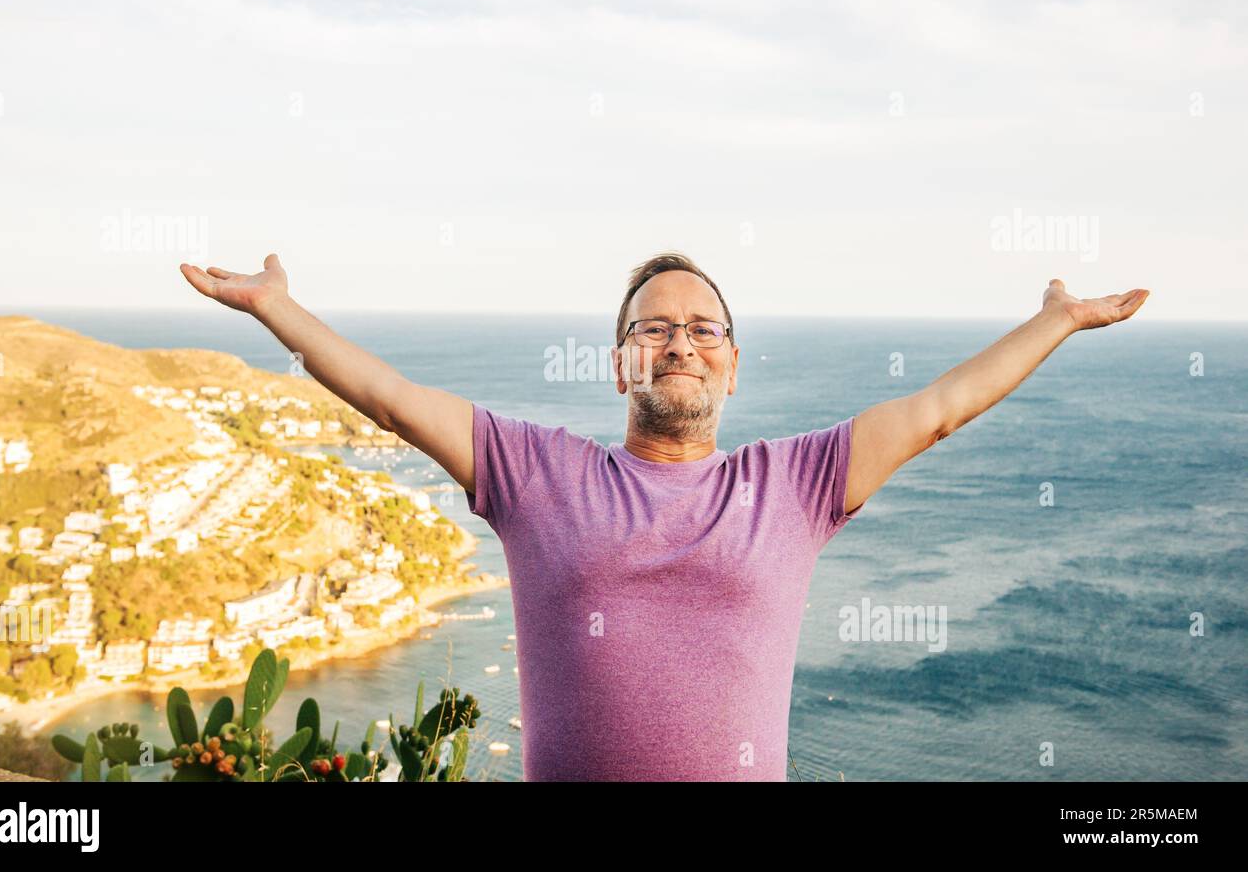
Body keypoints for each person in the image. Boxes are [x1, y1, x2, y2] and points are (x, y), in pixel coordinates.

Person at [181, 252, 1148, 781]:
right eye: (653, 327)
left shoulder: (795, 483)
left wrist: (1055, 319)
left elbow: (939, 408)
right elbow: (390, 397)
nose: (679, 341)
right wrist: (279, 309)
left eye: (703, 328)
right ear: (619, 364)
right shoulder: (534, 474)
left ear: (731, 363)